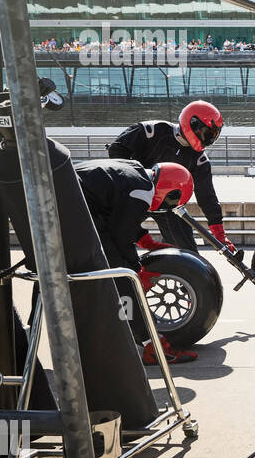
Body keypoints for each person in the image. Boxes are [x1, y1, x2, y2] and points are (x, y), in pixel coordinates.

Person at [75, 158, 197, 365]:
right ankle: (153, 347)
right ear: (169, 190)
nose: (166, 206)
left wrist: (144, 240)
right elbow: (120, 240)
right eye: (171, 201)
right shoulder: (142, 191)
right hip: (71, 209)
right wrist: (137, 270)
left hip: (66, 202)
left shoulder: (136, 172)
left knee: (115, 272)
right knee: (123, 276)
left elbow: (114, 212)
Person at [106, 100, 234, 253]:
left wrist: (219, 234)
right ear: (192, 123)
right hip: (136, 196)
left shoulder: (199, 160)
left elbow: (207, 196)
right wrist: (136, 180)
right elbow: (117, 149)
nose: (208, 140)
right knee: (115, 237)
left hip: (167, 203)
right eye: (207, 133)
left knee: (188, 251)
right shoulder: (151, 131)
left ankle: (185, 272)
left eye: (213, 136)